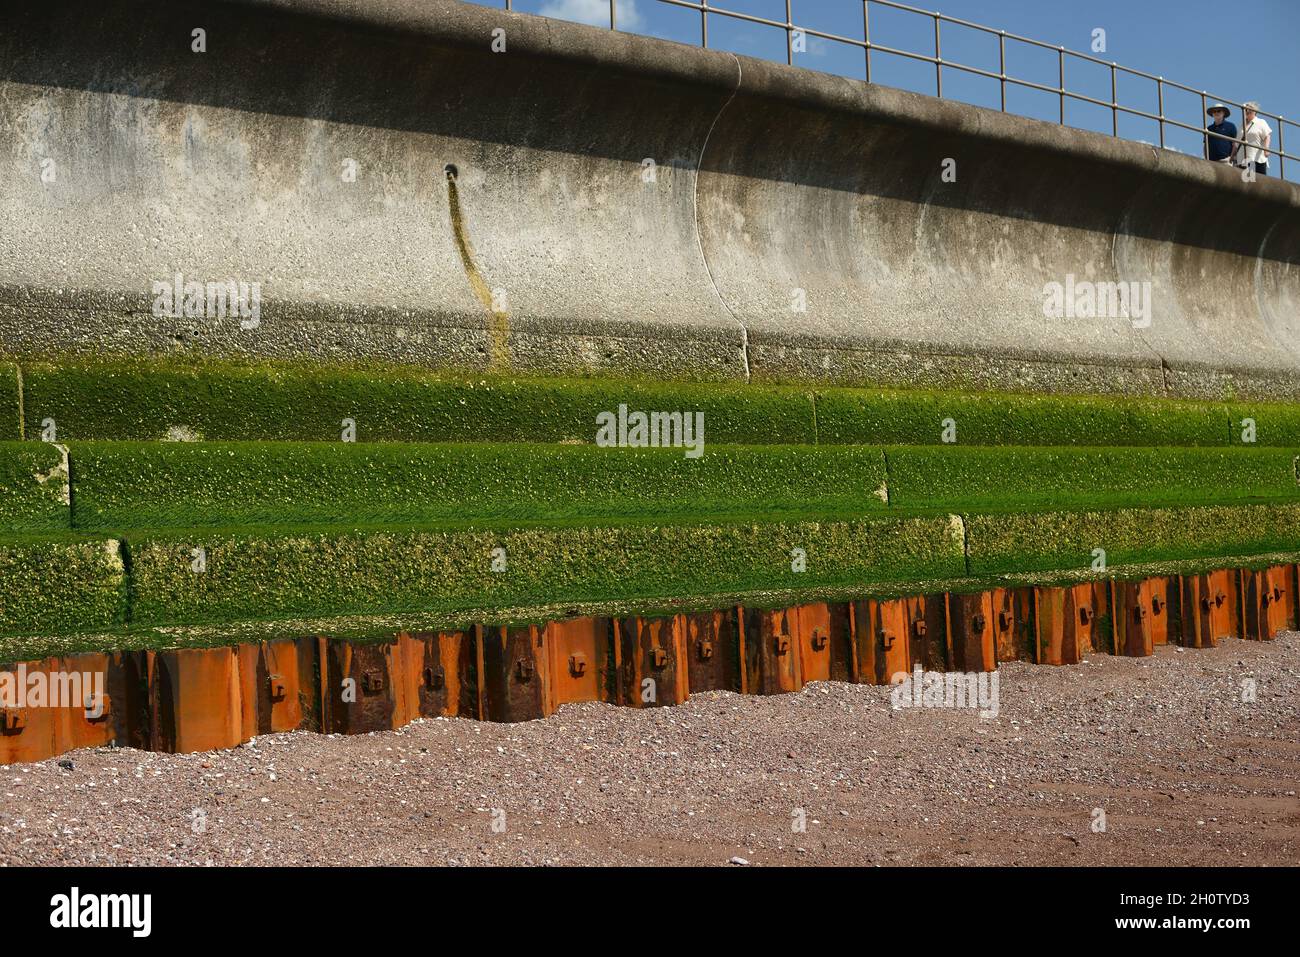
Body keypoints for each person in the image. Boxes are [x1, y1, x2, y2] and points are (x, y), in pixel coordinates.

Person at [1236, 101, 1272, 176]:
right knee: (1245, 184)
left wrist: (1266, 149)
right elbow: (1237, 143)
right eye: (1245, 110)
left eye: (1250, 110)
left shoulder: (1260, 122)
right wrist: (1232, 156)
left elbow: (1267, 136)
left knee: (1257, 184)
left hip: (1256, 159)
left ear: (1255, 111)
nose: (1247, 111)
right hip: (1242, 159)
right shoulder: (1242, 125)